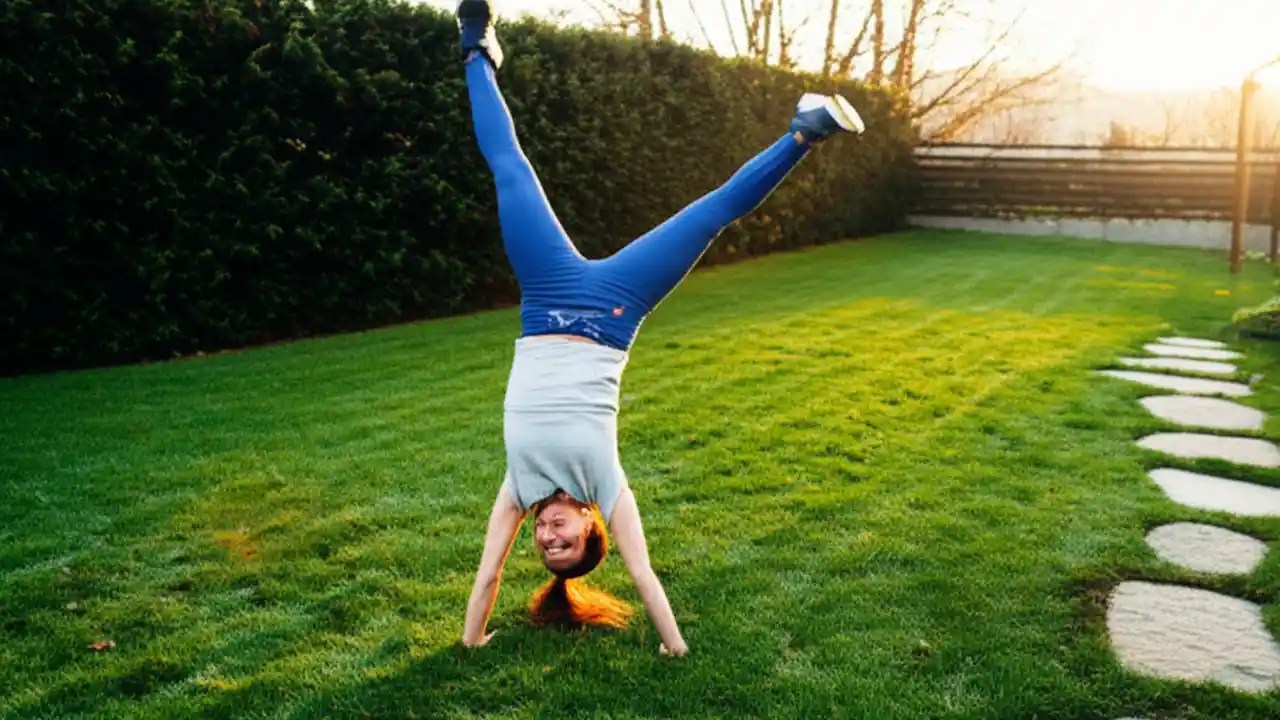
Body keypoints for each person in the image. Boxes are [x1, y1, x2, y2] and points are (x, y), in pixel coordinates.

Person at [456, 0, 865, 657]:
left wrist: (473, 639)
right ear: (591, 526)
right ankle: (806, 131)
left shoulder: (517, 489)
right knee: (711, 214)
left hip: (546, 297)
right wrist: (674, 646)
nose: (549, 538)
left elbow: (488, 573)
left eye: (546, 546)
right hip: (614, 310)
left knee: (510, 168)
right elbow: (643, 574)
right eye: (567, 545)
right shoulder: (606, 486)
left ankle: (476, 47)